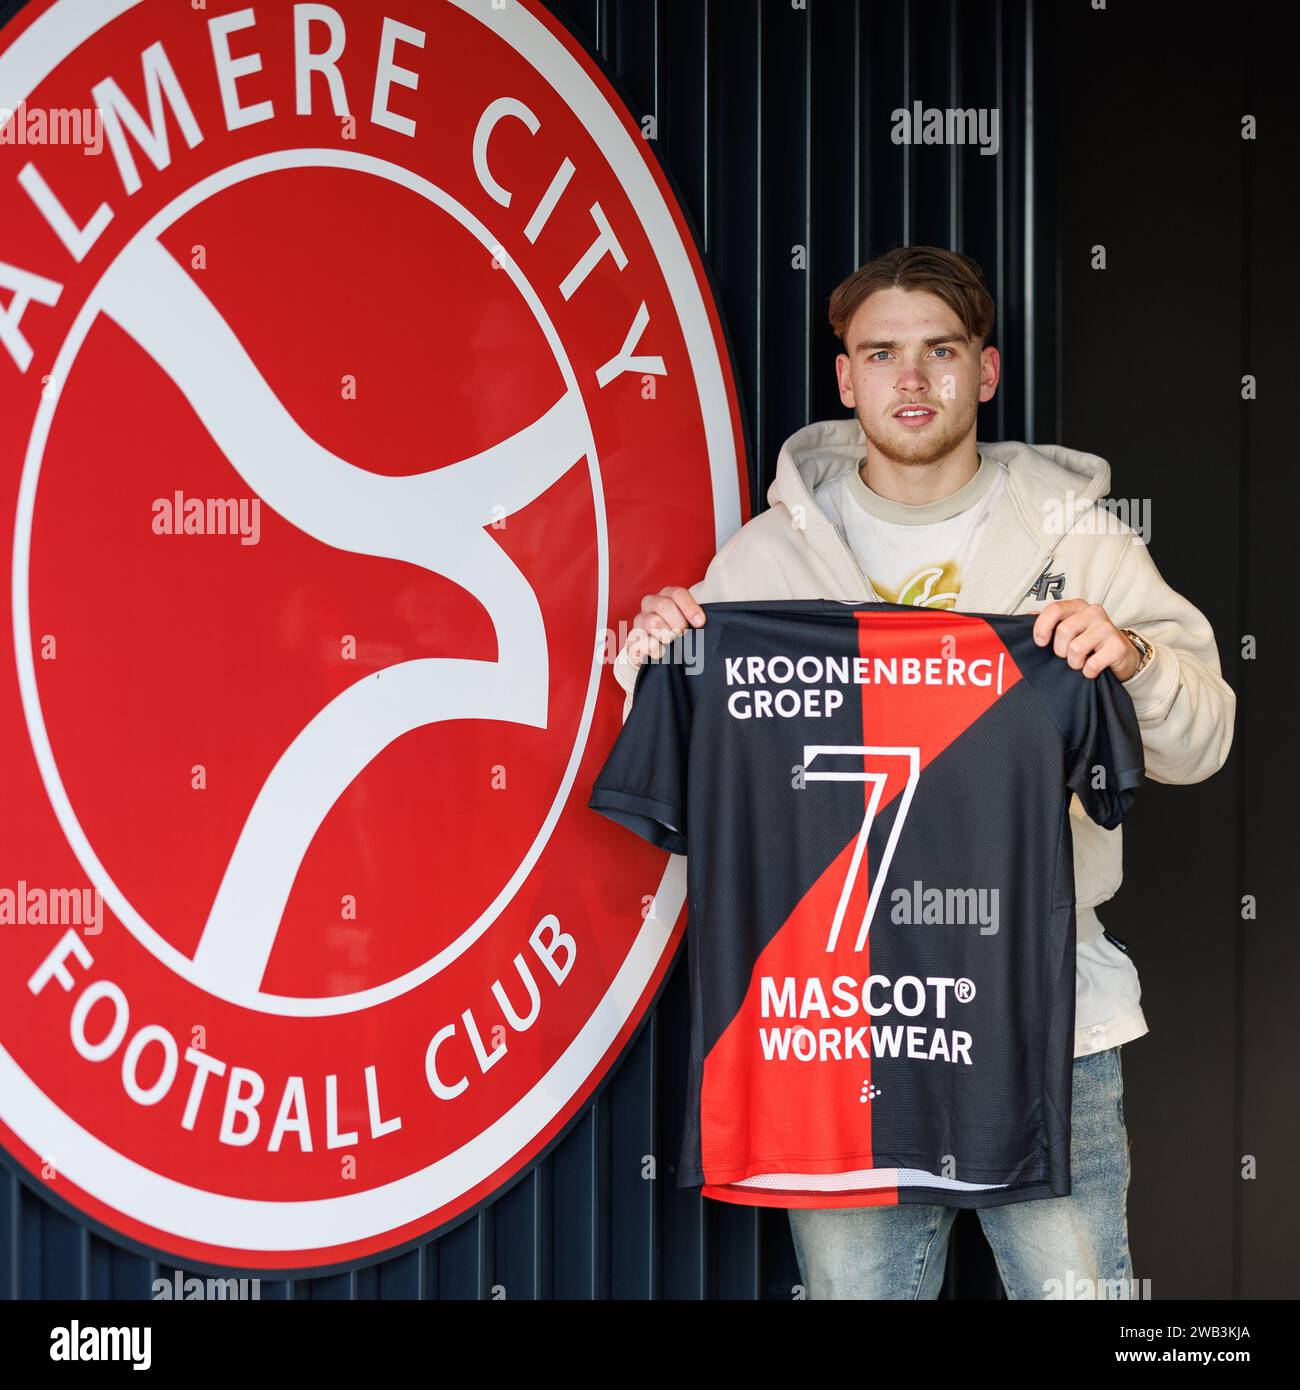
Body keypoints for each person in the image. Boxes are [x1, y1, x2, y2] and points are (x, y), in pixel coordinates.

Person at [607, 245, 1236, 1299]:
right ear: (844, 378)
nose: (912, 379)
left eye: (940, 351)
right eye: (881, 353)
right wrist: (656, 654)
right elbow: (698, 769)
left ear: (984, 372)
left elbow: (1202, 738)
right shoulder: (764, 561)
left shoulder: (1081, 544)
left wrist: (1126, 657)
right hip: (834, 1024)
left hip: (1049, 1015)